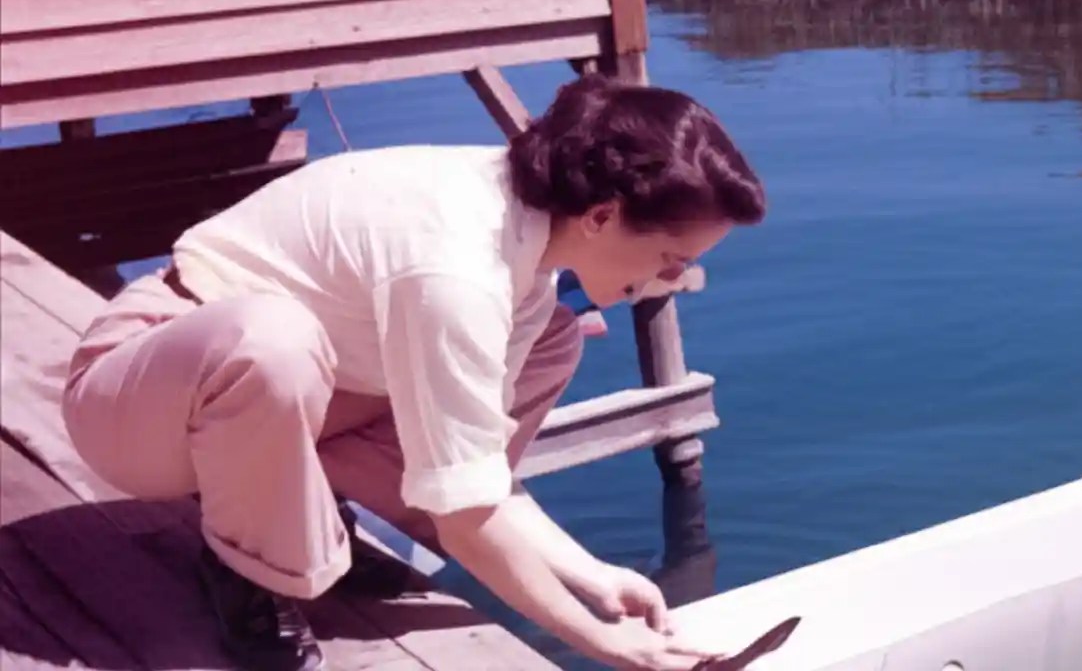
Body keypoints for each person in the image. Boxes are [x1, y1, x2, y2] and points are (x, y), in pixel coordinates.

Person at [60, 74, 767, 671]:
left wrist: (597, 578)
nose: (678, 277)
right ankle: (250, 569)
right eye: (672, 257)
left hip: (279, 399)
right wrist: (603, 643)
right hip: (134, 404)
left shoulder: (527, 252)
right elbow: (465, 520)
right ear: (604, 215)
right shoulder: (458, 266)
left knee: (551, 342)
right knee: (275, 340)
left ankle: (298, 516)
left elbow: (475, 474)